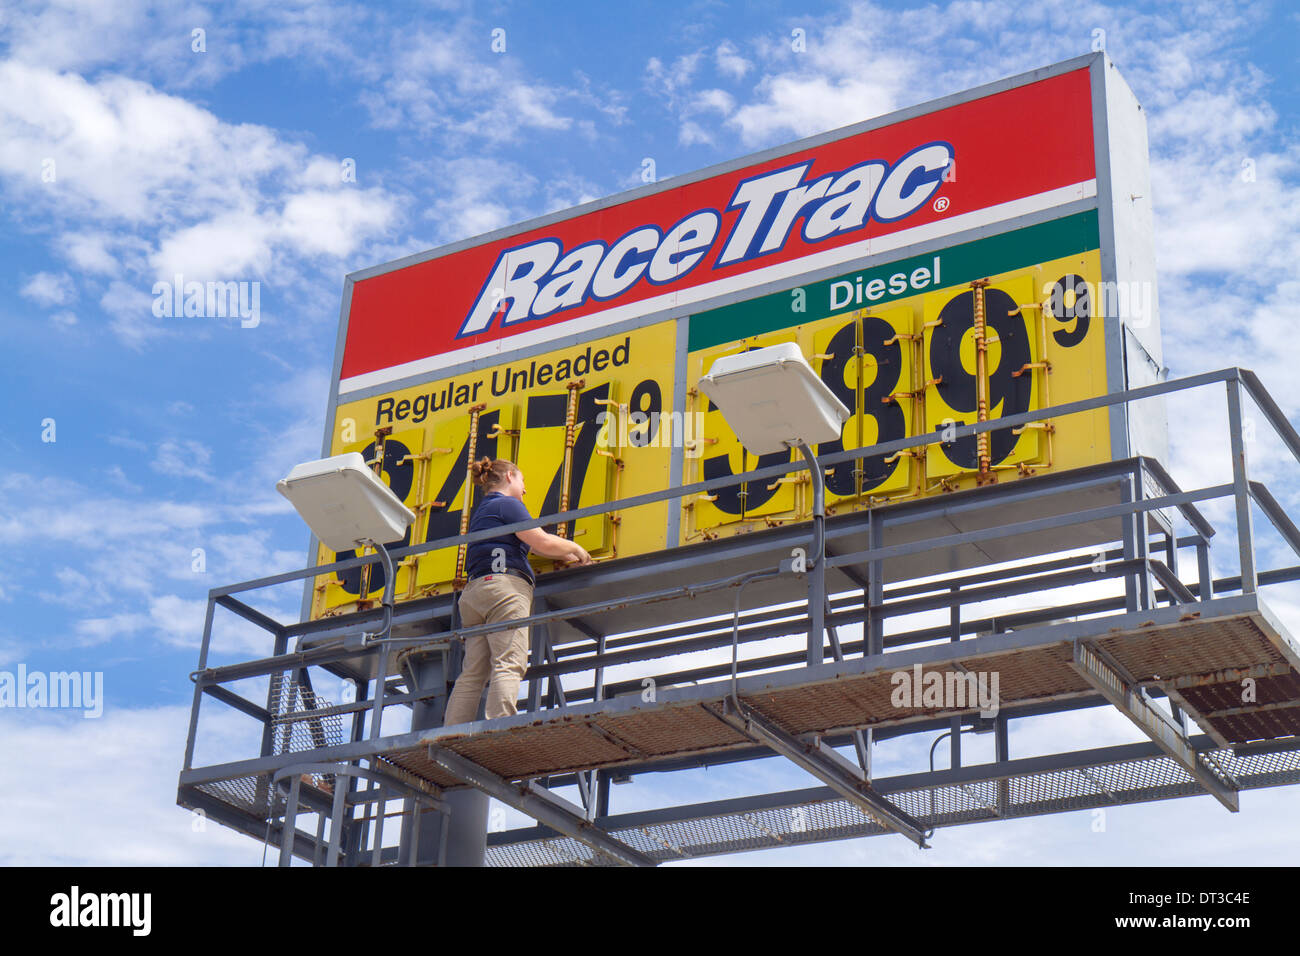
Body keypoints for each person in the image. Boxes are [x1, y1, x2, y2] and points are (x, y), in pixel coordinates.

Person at [442, 457, 592, 725]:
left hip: (474, 593)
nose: (525, 490)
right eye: (522, 481)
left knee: (473, 673)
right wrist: (576, 548)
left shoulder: (484, 512)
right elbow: (541, 540)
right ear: (510, 476)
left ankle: (451, 731)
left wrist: (567, 555)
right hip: (504, 590)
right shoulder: (508, 504)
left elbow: (533, 546)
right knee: (509, 662)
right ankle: (500, 726)